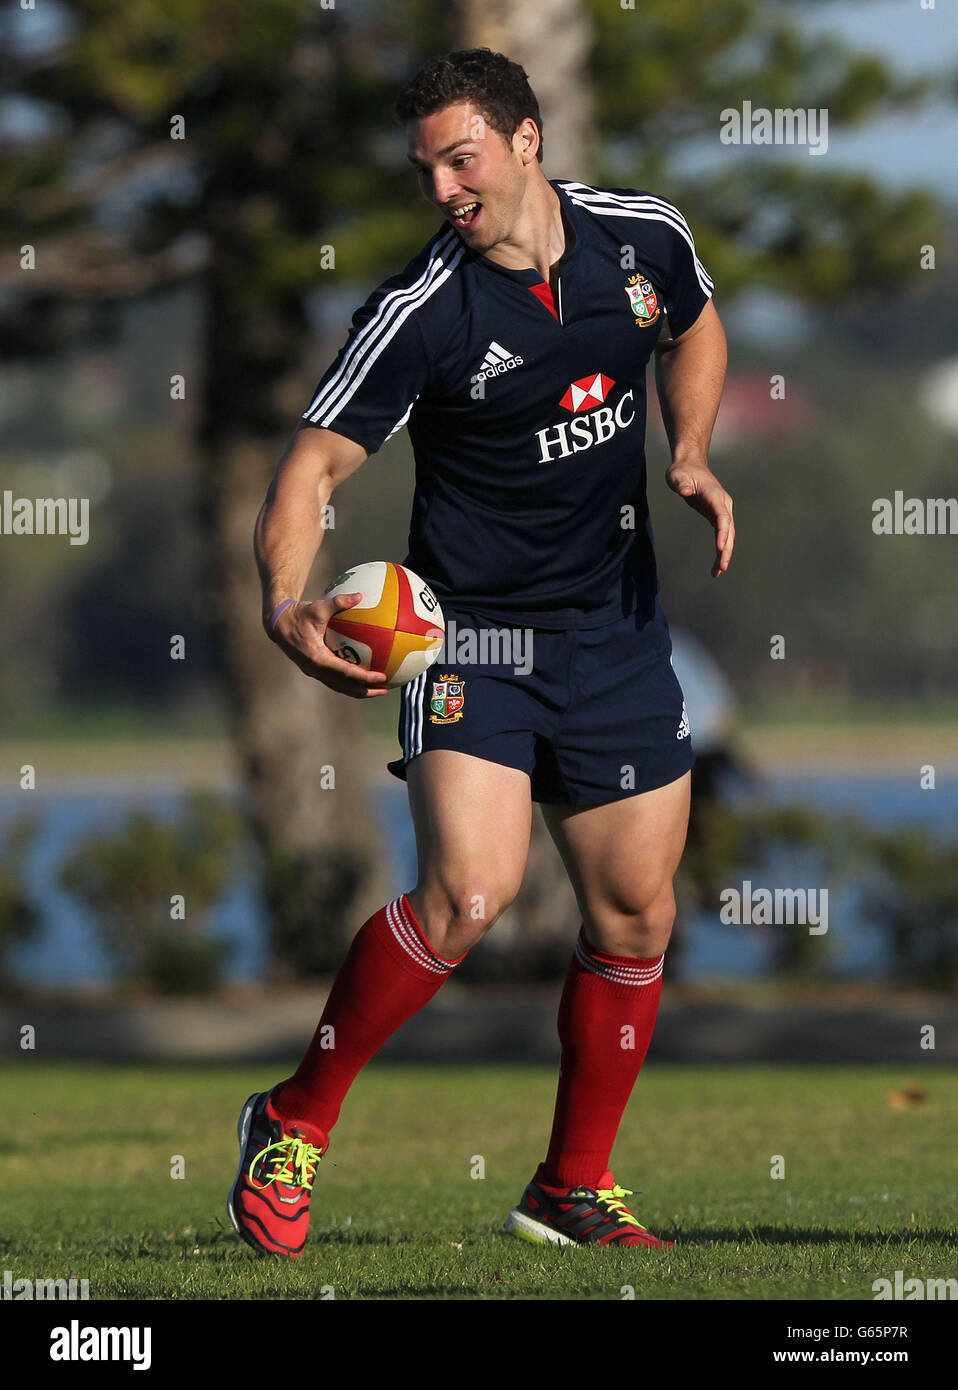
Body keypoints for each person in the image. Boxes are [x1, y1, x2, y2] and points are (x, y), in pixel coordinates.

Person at [229, 47, 733, 1257]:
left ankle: (570, 1186)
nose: (444, 187)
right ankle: (292, 1120)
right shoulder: (421, 310)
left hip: (614, 631)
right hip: (470, 641)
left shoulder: (641, 239)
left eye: (462, 158)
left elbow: (701, 325)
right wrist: (283, 602)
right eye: (425, 169)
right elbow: (311, 467)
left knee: (635, 919)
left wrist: (691, 452)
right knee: (468, 893)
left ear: (525, 140)